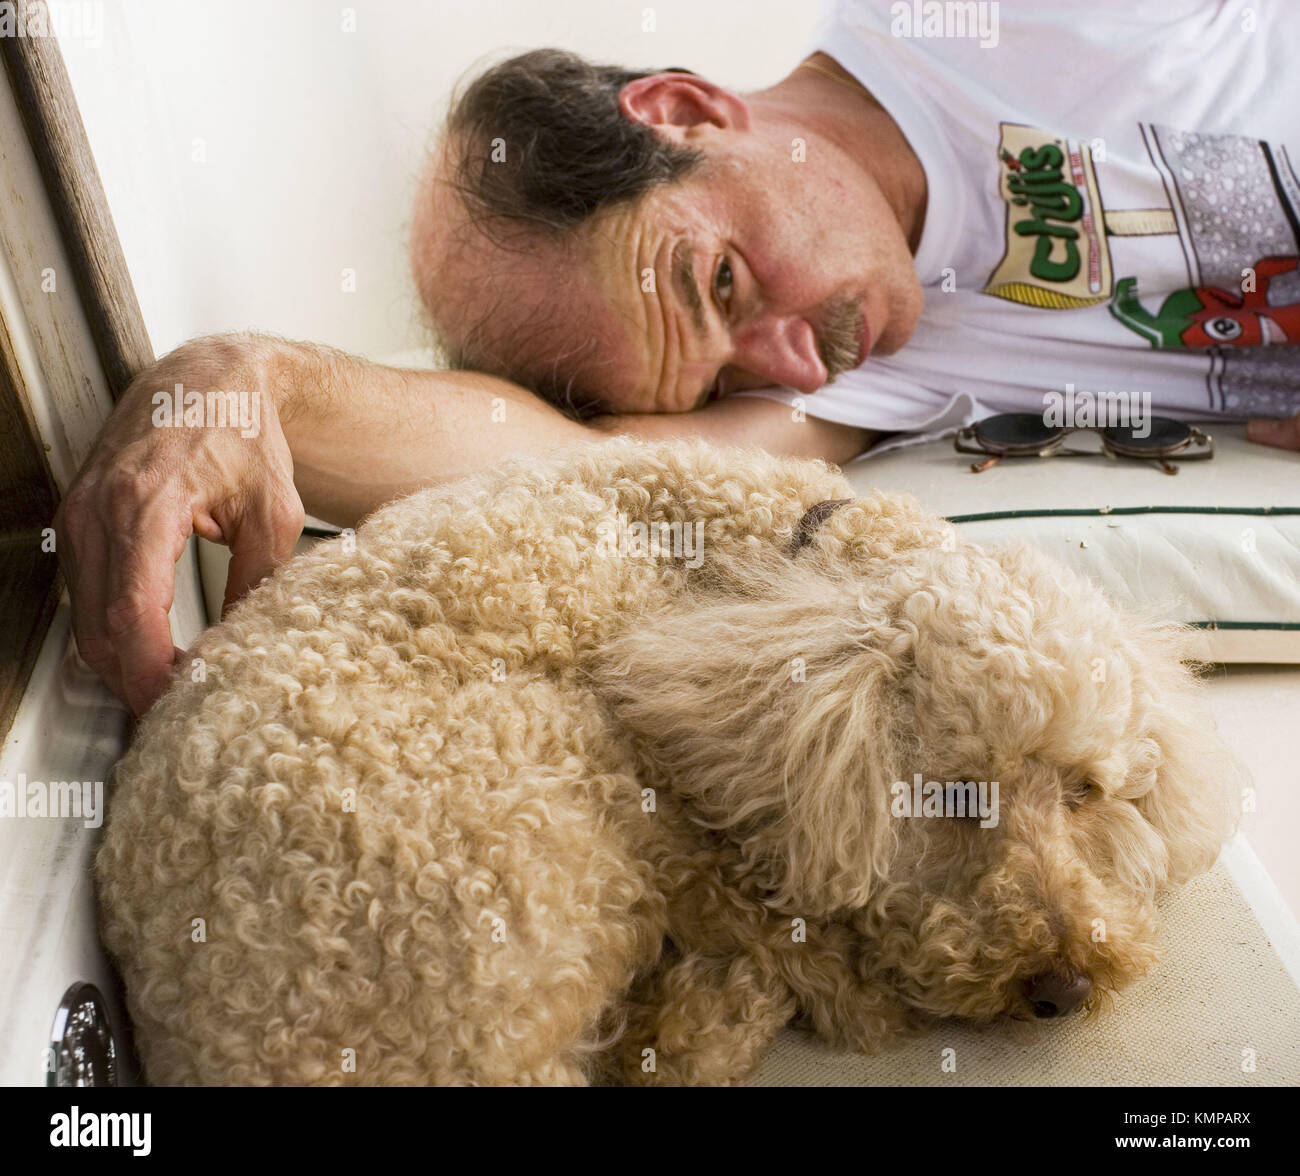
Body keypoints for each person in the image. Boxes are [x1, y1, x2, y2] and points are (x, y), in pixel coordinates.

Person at [58, 0, 1300, 714]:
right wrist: (236, 376)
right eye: (722, 383)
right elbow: (564, 461)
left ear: (682, 111)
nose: (795, 369)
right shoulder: (865, 369)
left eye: (721, 282)